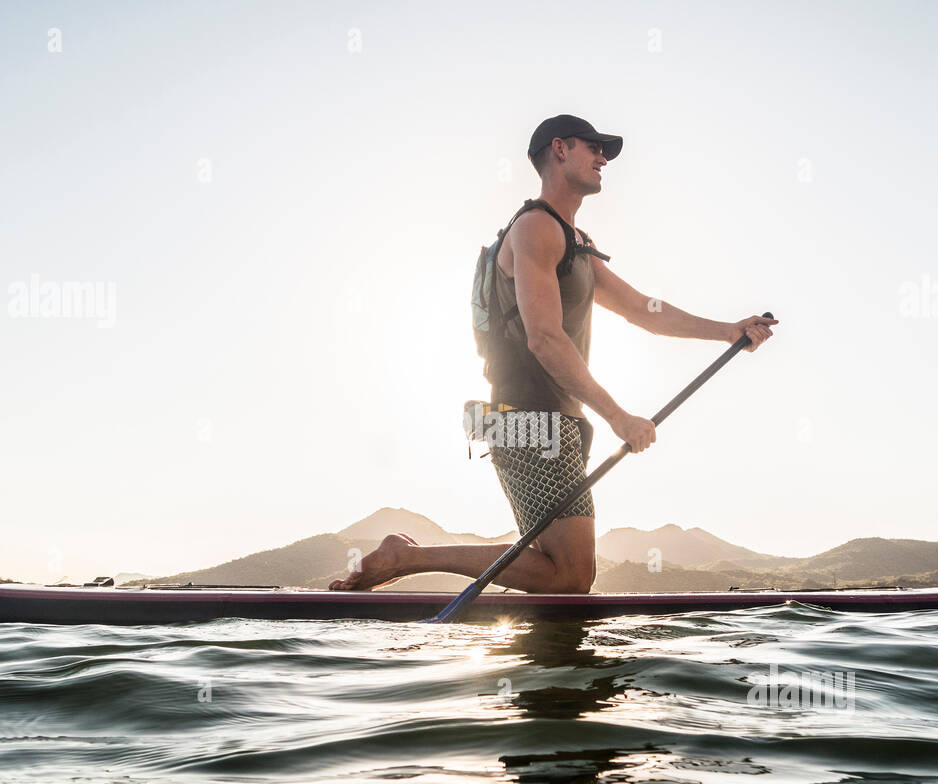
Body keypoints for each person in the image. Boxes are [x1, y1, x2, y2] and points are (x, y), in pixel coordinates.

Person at [330, 114, 776, 593]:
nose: (604, 157)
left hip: (554, 421)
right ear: (559, 149)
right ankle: (406, 557)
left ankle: (414, 560)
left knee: (566, 572)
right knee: (570, 575)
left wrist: (728, 331)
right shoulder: (535, 228)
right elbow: (543, 338)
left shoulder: (575, 241)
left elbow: (643, 311)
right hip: (525, 421)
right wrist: (619, 417)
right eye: (594, 147)